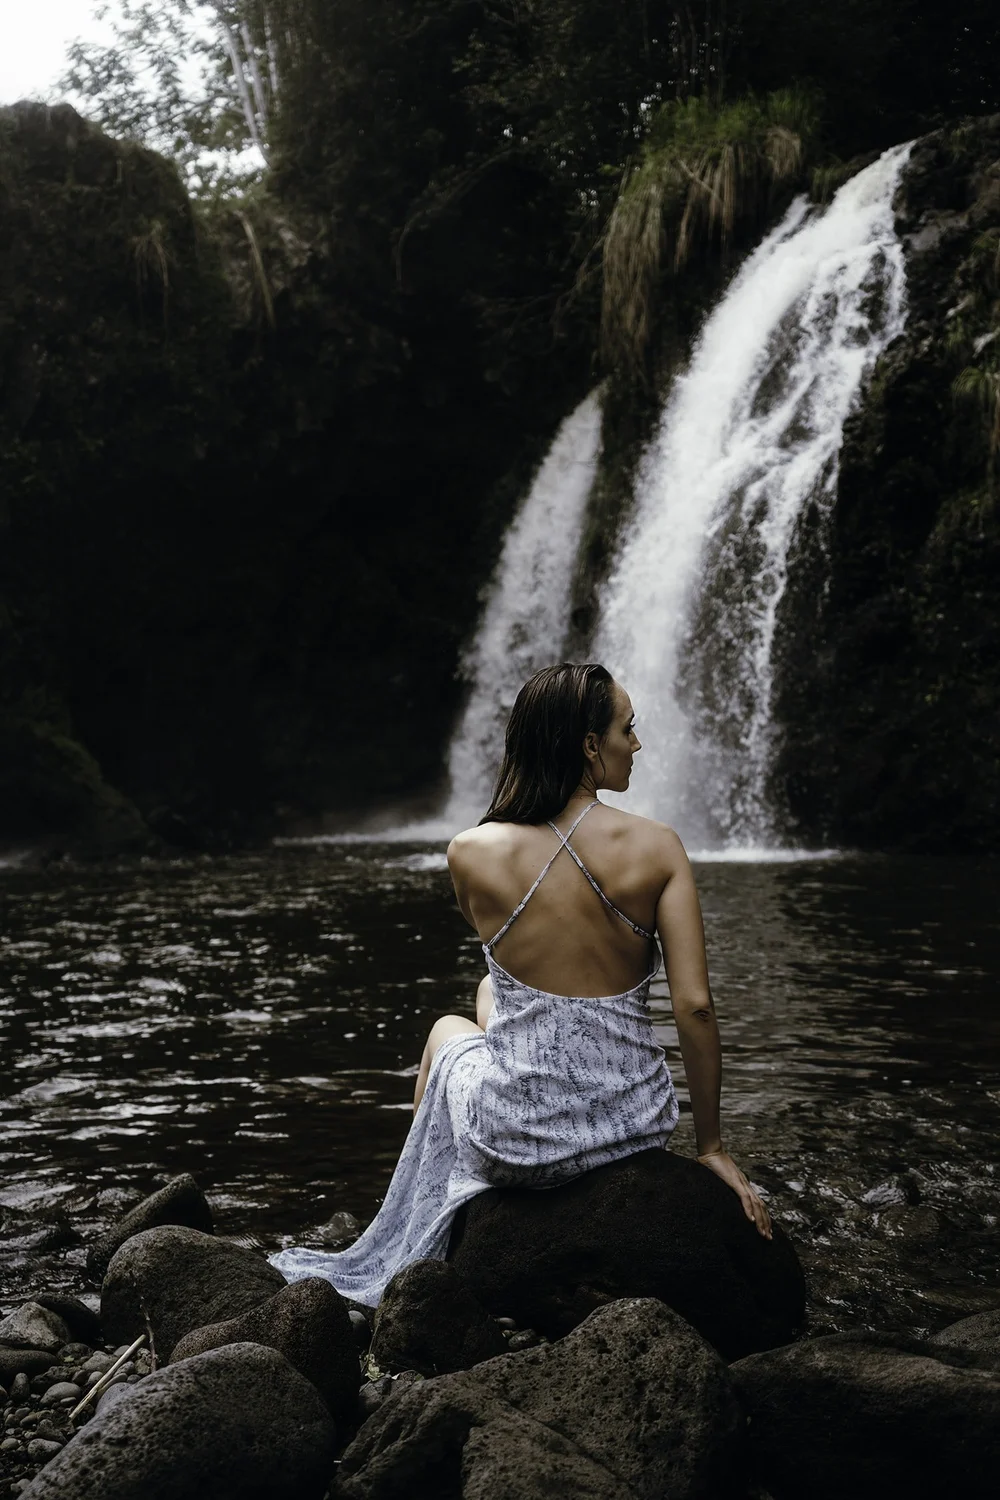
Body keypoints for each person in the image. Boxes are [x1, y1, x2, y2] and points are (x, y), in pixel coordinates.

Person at [270, 662, 769, 1305]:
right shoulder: (659, 847)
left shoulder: (470, 852)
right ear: (591, 746)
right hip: (633, 1121)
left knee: (455, 1024)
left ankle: (431, 1238)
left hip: (516, 1133)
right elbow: (694, 1008)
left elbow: (513, 965)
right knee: (491, 995)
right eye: (628, 729)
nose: (637, 744)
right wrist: (712, 1148)